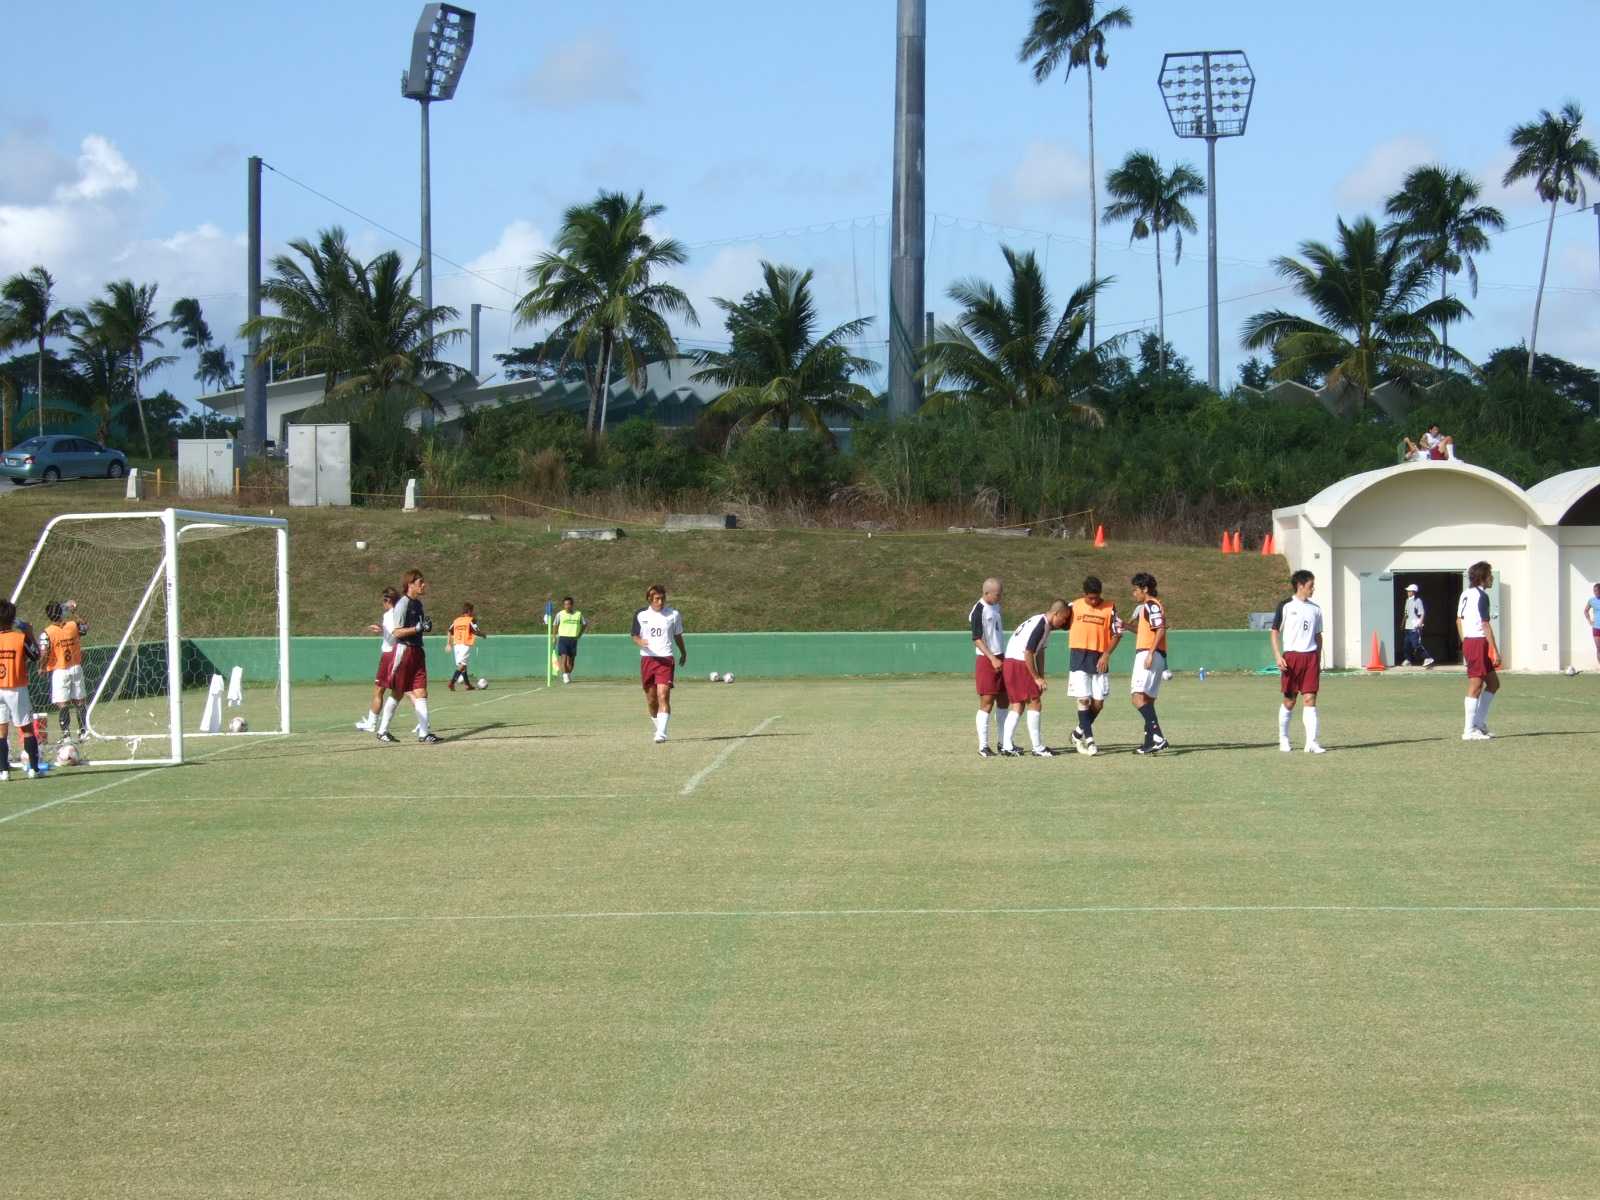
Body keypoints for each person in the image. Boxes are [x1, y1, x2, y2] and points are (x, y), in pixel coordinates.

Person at [999, 600, 1070, 758]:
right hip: (1019, 662)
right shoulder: (1041, 624)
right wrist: (1036, 677)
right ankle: (1037, 747)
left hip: (1011, 661)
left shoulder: (1044, 625)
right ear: (1056, 613)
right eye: (1063, 618)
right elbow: (1028, 653)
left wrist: (1041, 676)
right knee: (1034, 702)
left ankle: (1007, 745)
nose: (1064, 622)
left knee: (1017, 705)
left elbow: (1040, 652)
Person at [377, 570, 439, 744]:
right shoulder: (403, 604)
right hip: (405, 651)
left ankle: (424, 733)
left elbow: (418, 627)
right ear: (410, 584)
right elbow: (397, 632)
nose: (423, 585)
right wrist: (418, 629)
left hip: (418, 651)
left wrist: (423, 628)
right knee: (397, 692)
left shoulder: (418, 604)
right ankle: (382, 731)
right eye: (420, 582)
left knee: (421, 691)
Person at [1270, 569, 1326, 754]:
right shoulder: (1285, 606)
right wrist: (1278, 656)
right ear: (1300, 585)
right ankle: (1283, 739)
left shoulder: (1315, 609)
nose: (1313, 589)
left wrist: (1318, 658)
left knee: (1310, 699)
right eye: (1311, 586)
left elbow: (1318, 635)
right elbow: (1274, 632)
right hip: (1291, 658)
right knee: (1290, 701)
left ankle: (1312, 742)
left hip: (1310, 658)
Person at [1065, 576, 1121, 757]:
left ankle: (1077, 733)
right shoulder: (1074, 607)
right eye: (1090, 598)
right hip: (1079, 656)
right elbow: (1058, 621)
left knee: (1098, 703)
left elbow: (1117, 634)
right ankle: (1089, 740)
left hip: (1099, 657)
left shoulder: (1110, 608)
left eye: (1097, 597)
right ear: (1084, 595)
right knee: (1084, 700)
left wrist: (1106, 654)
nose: (1094, 601)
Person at [632, 584, 686, 743]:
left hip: (666, 659)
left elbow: (678, 636)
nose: (660, 602)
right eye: (657, 599)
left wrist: (683, 652)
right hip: (648, 660)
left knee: (663, 695)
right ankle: (659, 727)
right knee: (651, 700)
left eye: (662, 598)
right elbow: (634, 635)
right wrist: (640, 641)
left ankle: (661, 733)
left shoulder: (674, 615)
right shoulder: (640, 615)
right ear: (650, 599)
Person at [0, 599, 46, 780]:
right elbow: (36, 655)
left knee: (1, 731)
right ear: (13, 619)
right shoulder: (19, 638)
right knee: (26, 729)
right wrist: (30, 633)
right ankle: (34, 769)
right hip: (16, 688)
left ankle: (3, 771)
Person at [1456, 561, 1501, 741]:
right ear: (1483, 577)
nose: (1492, 578)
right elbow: (1485, 624)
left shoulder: (1465, 594)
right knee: (1475, 686)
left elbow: (1458, 621)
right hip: (1477, 642)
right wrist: (1495, 651)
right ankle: (1468, 730)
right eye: (1490, 574)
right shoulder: (1482, 596)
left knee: (1493, 684)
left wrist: (1464, 642)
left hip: (1470, 641)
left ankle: (1479, 723)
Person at [1128, 573, 1170, 755]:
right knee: (1147, 701)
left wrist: (1150, 654)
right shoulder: (1148, 607)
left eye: (1136, 589)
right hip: (1154, 654)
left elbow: (1160, 628)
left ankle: (1158, 737)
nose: (1134, 593)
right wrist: (1125, 625)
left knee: (1137, 698)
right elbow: (1147, 629)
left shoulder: (1151, 604)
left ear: (1145, 589)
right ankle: (1149, 742)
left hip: (1148, 654)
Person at [38, 599, 89, 740]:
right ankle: (83, 731)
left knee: (62, 703)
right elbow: (85, 626)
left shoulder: (46, 633)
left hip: (59, 671)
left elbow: (44, 653)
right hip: (76, 667)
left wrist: (41, 668)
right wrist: (74, 612)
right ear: (61, 612)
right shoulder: (73, 625)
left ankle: (66, 734)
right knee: (80, 701)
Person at [968, 577, 1006, 758]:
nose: (1000, 597)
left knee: (1004, 700)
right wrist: (992, 658)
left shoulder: (996, 607)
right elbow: (976, 638)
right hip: (987, 660)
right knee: (987, 702)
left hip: (1001, 657)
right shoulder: (978, 610)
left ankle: (1003, 743)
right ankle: (983, 746)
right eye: (997, 594)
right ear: (987, 593)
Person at [356, 587, 400, 733]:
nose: (383, 603)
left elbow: (394, 632)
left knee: (379, 690)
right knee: (404, 690)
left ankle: (371, 723)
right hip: (399, 654)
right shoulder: (400, 613)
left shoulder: (388, 615)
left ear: (388, 601)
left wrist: (382, 628)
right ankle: (423, 720)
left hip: (388, 655)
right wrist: (382, 629)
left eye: (384, 600)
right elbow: (396, 630)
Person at [446, 603, 485, 691]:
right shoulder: (471, 620)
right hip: (464, 644)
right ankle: (452, 682)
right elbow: (476, 631)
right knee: (462, 665)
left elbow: (449, 631)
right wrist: (483, 635)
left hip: (456, 645)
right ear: (470, 611)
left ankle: (467, 685)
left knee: (463, 665)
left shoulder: (456, 620)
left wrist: (448, 643)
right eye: (472, 611)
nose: (473, 613)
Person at [554, 597, 588, 684]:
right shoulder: (560, 614)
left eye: (568, 604)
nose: (567, 606)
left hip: (573, 639)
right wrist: (554, 636)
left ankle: (568, 673)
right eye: (565, 604)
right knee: (564, 657)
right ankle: (565, 675)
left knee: (571, 661)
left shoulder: (578, 614)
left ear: (572, 605)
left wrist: (579, 635)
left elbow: (584, 624)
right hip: (563, 638)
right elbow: (555, 625)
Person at [1401, 583, 1434, 668]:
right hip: (1407, 627)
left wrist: (1420, 623)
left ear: (1414, 592)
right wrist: (1403, 623)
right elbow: (1406, 613)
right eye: (1408, 591)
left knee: (1416, 645)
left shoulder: (1418, 601)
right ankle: (1408, 660)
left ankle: (1428, 658)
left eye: (1409, 591)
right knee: (1406, 645)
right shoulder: (1407, 600)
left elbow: (1422, 613)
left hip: (1414, 627)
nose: (1408, 592)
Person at [1586, 583, 1600, 668]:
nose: (1595, 592)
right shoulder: (1591, 600)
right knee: (1599, 648)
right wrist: (1589, 621)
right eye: (1594, 591)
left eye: (1596, 590)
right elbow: (1586, 610)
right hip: (1596, 628)